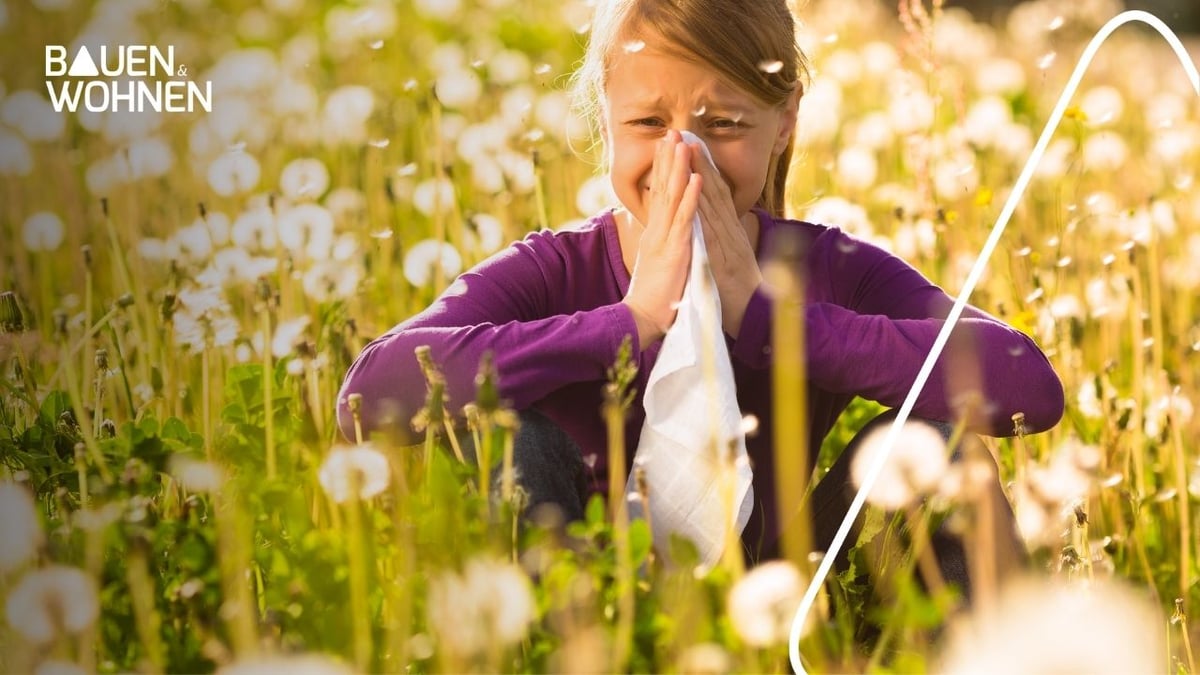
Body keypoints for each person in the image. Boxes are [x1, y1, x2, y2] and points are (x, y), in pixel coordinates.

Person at [336, 0, 1064, 576]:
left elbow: (1028, 384)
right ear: (606, 117)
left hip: (787, 599)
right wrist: (630, 321)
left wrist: (774, 321)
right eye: (649, 122)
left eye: (723, 124)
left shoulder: (827, 268)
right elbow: (368, 393)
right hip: (581, 599)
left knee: (940, 448)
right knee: (508, 439)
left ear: (785, 124)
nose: (684, 157)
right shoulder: (557, 269)